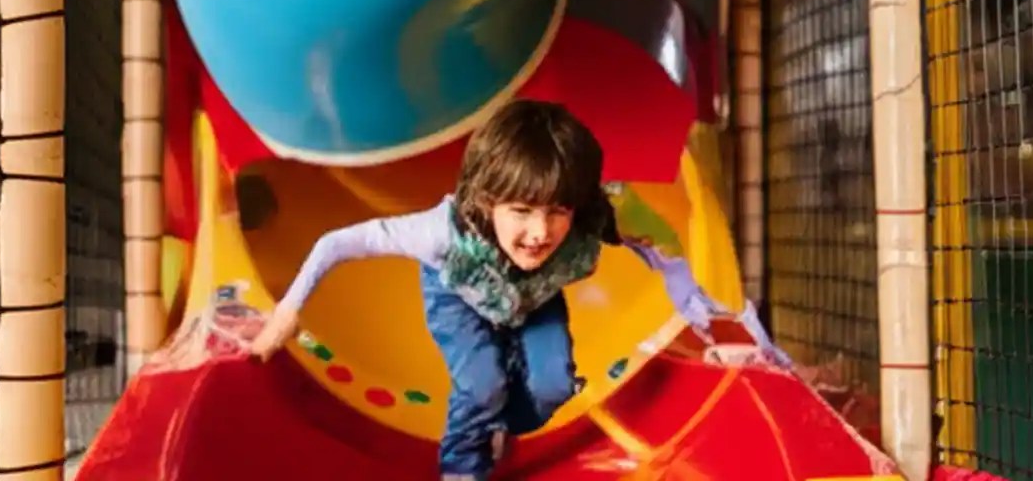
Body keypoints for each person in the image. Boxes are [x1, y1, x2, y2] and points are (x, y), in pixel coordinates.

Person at [247, 100, 724, 480]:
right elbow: (337, 243)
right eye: (521, 211)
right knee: (482, 384)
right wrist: (287, 314)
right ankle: (462, 466)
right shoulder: (437, 233)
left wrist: (695, 300)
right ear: (487, 200)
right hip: (460, 297)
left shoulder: (595, 216)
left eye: (557, 211)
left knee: (553, 385)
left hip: (534, 297)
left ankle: (496, 424)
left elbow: (661, 244)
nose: (540, 232)